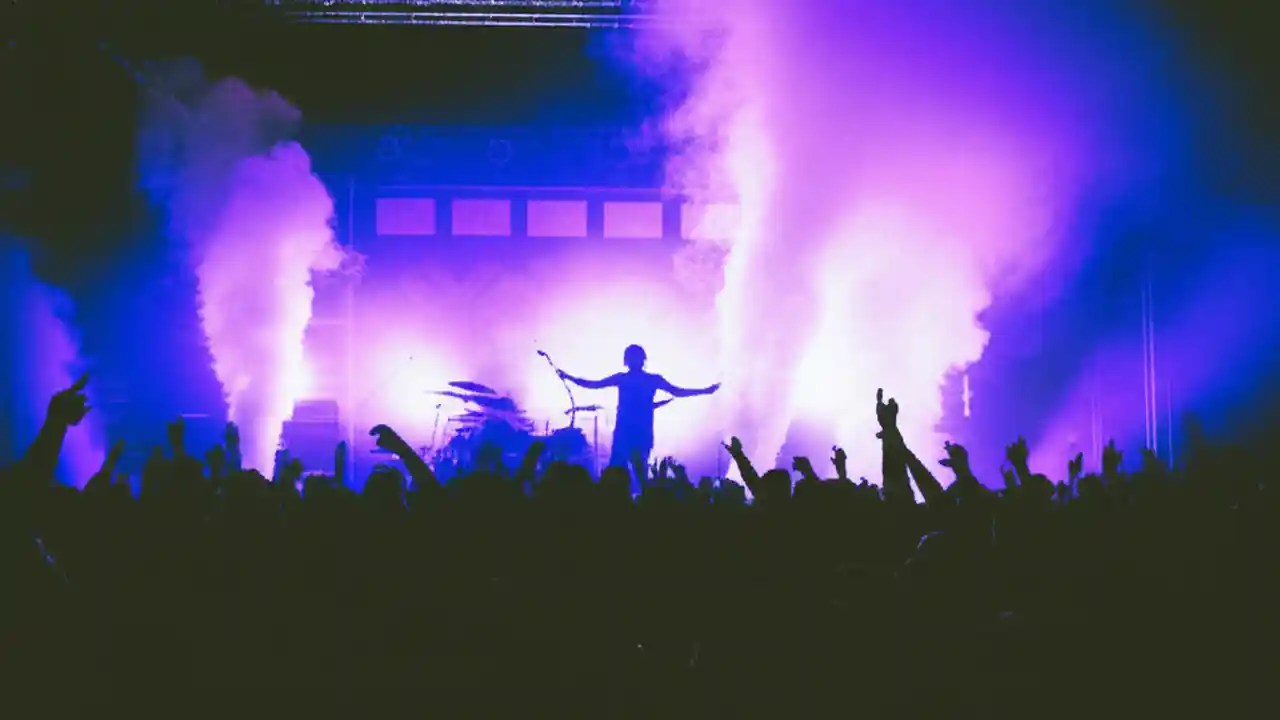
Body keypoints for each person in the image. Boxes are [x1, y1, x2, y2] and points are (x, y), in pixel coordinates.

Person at [558, 345, 718, 488]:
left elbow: (593, 384)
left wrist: (569, 377)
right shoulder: (646, 379)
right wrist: (704, 391)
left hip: (629, 433)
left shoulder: (630, 379)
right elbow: (677, 391)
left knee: (623, 472)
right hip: (634, 433)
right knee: (634, 472)